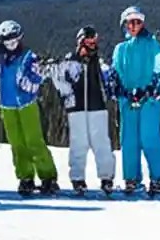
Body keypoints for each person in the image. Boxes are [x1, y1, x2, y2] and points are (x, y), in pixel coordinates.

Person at [46, 26, 119, 195]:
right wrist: (66, 94)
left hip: (97, 107)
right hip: (77, 108)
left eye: (94, 42)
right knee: (78, 143)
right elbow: (59, 79)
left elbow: (107, 80)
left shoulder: (98, 63)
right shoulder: (71, 61)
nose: (92, 46)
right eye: (88, 41)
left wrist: (111, 89)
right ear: (81, 42)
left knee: (101, 143)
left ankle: (106, 177)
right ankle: (77, 177)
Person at [0, 19, 58, 196]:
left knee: (34, 141)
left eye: (14, 40)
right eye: (7, 40)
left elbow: (37, 77)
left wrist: (38, 72)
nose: (11, 44)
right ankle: (25, 177)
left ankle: (48, 176)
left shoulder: (28, 56)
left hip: (26, 103)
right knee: (17, 144)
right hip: (7, 105)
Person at [111, 6, 160, 195]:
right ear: (124, 25)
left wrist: (153, 85)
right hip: (128, 99)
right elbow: (115, 71)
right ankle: (131, 178)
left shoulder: (152, 45)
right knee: (129, 139)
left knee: (149, 136)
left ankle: (158, 178)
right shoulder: (120, 49)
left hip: (149, 99)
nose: (134, 26)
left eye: (138, 22)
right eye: (130, 22)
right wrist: (120, 89)